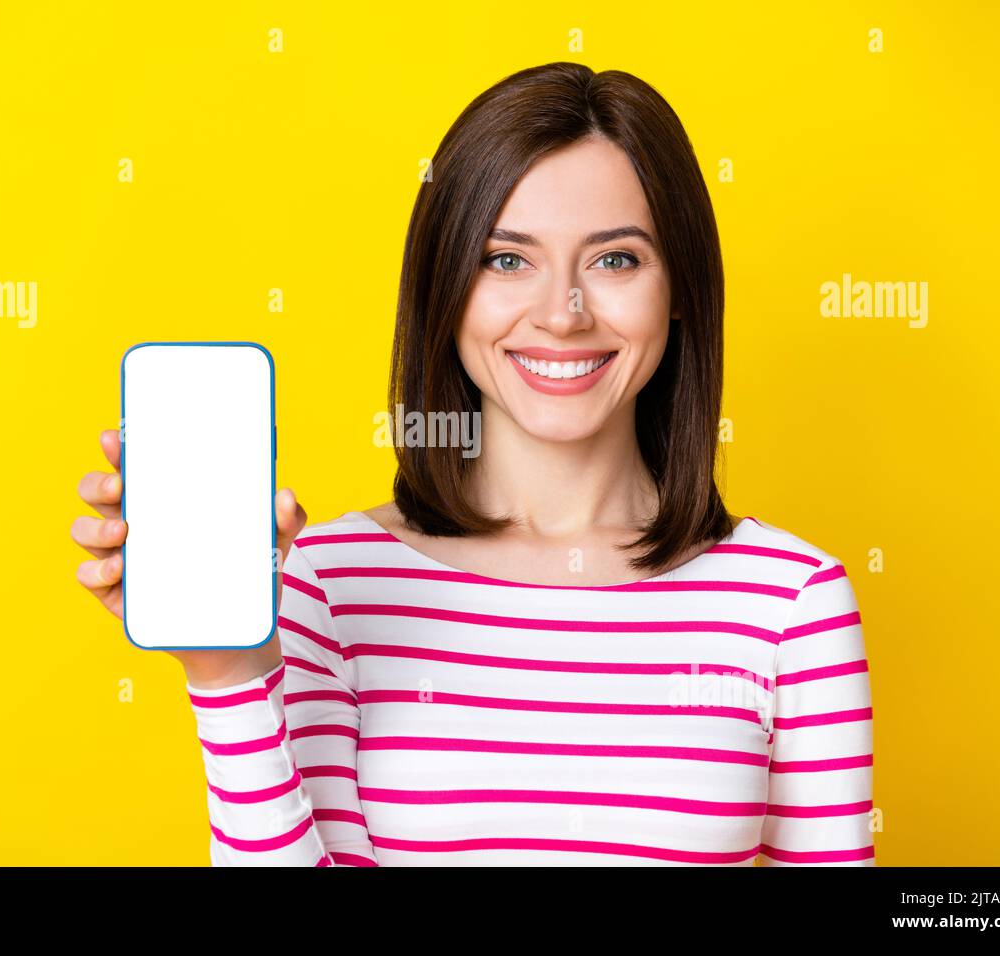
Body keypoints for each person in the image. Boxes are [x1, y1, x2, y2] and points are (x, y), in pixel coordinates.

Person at [72, 62, 874, 866]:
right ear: (447, 287)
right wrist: (229, 675)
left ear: (680, 291)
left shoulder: (791, 604)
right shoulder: (329, 582)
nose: (563, 315)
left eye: (616, 260)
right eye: (506, 259)